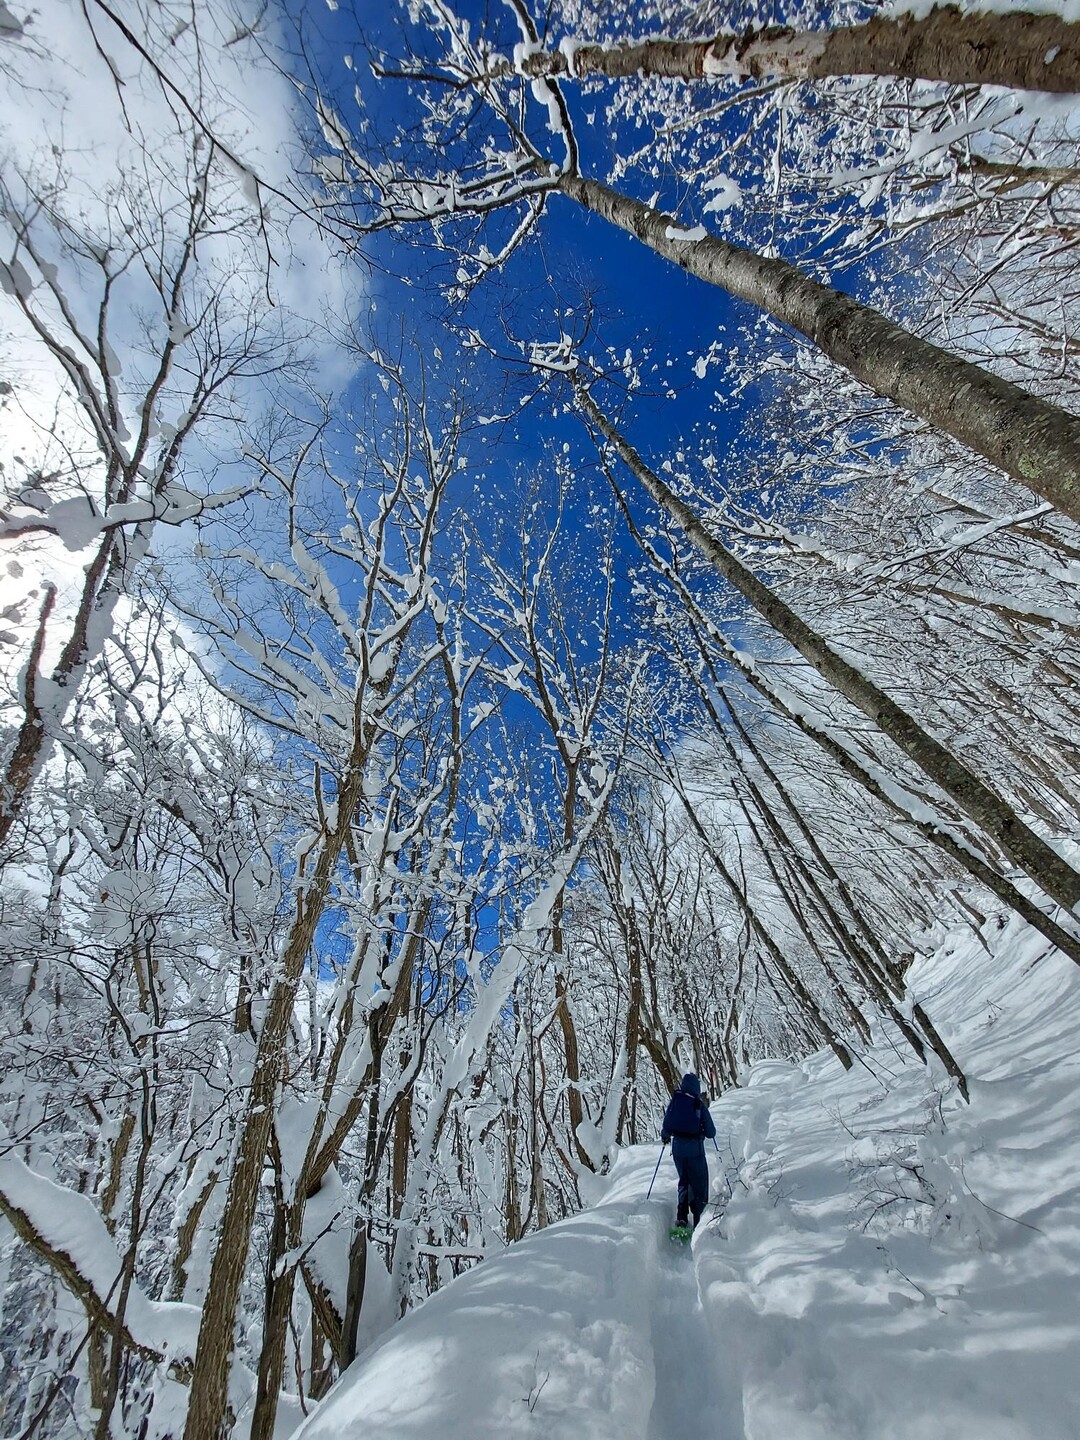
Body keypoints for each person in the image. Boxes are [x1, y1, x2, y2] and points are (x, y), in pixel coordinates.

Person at [660, 1072, 716, 1229]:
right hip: (695, 1152)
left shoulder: (676, 1101)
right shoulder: (698, 1104)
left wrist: (666, 1137)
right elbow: (712, 1133)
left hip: (677, 1151)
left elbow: (666, 1125)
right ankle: (700, 1222)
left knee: (684, 1181)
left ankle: (682, 1216)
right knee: (699, 1184)